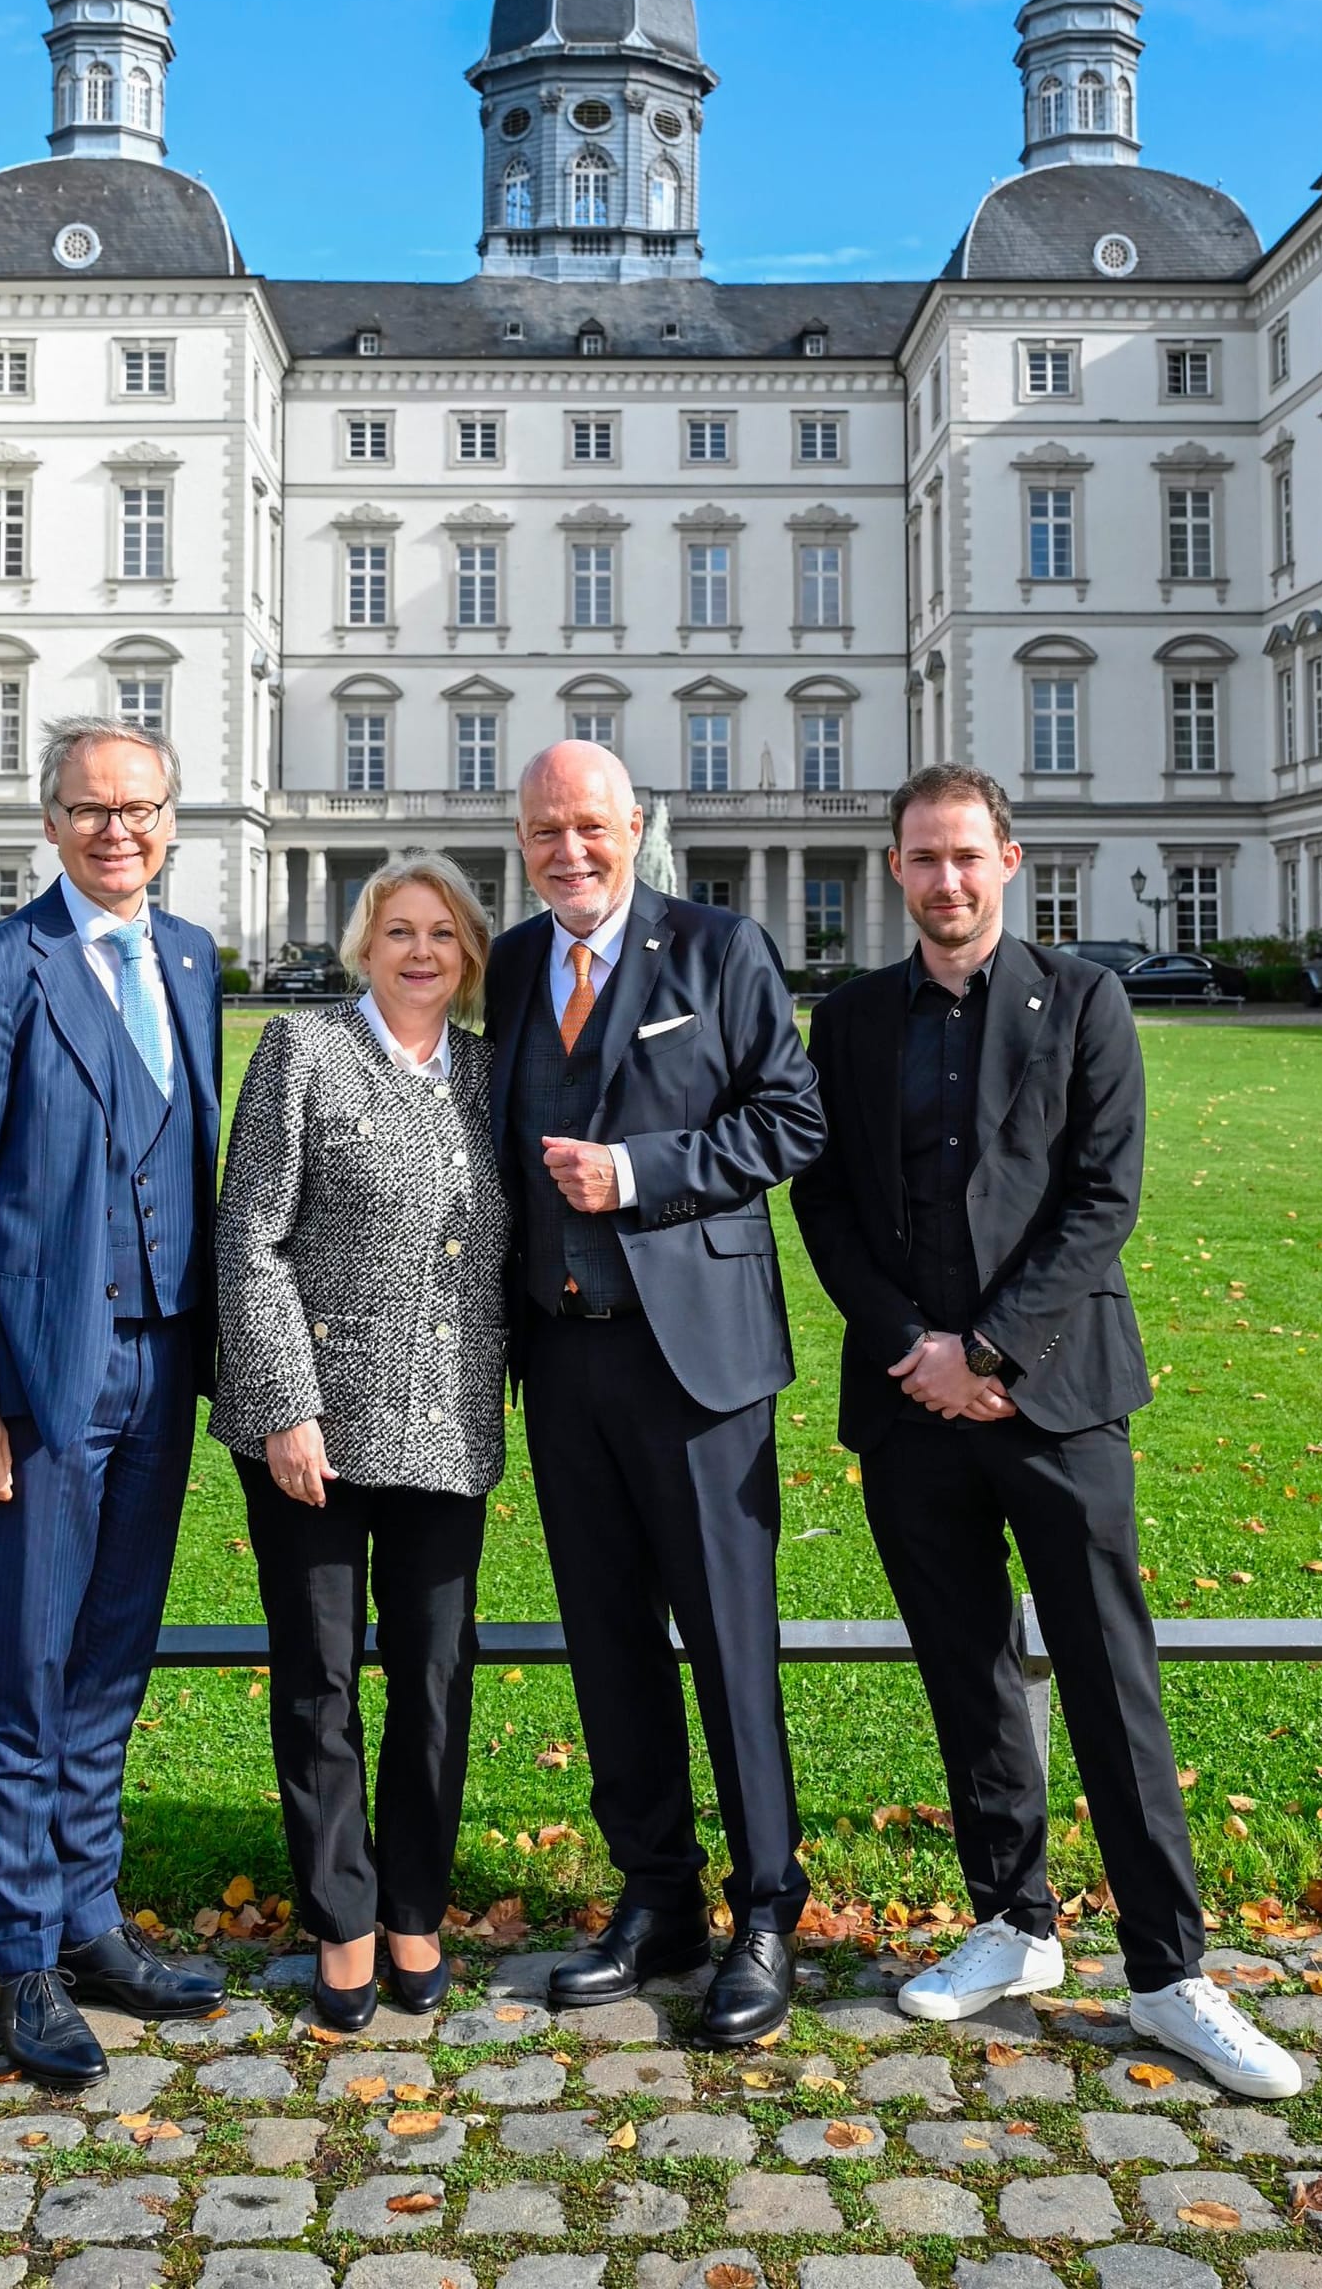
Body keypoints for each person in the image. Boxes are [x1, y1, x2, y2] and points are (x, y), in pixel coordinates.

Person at [790, 762, 1302, 2099]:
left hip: (1055, 1393)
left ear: (1007, 863)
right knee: (963, 1671)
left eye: (964, 856)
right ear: (894, 872)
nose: (943, 881)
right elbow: (825, 1206)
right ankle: (1011, 1923)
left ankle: (1165, 1968)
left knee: (1102, 1676)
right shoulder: (844, 1021)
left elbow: (1099, 1197)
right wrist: (913, 1350)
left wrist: (993, 1351)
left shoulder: (1081, 1000)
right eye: (920, 859)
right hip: (908, 1404)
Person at [484, 742, 826, 2048]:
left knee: (727, 1642)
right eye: (540, 833)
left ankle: (766, 1910)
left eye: (588, 827)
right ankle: (655, 1897)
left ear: (634, 827)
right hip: (562, 1358)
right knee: (607, 1642)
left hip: (696, 1361)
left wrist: (636, 1173)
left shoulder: (719, 950)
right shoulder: (514, 964)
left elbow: (787, 1124)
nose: (567, 852)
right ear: (518, 843)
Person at [0, 715, 226, 2086]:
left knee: (109, 1658)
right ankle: (22, 1959)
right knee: (27, 1670)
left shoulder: (193, 960)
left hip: (164, 1368)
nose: (117, 832)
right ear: (49, 822)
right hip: (39, 1379)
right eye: (91, 810)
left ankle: (90, 1918)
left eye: (140, 809)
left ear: (169, 822)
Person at [212, 854, 511, 2033]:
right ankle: (341, 1917)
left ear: (470, 955)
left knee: (435, 1680)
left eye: (442, 932)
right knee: (320, 1679)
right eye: (398, 931)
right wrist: (287, 1405)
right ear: (362, 946)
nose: (421, 951)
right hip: (314, 1432)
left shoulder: (488, 1074)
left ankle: (413, 1908)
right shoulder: (303, 1051)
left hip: (445, 1421)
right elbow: (250, 1238)